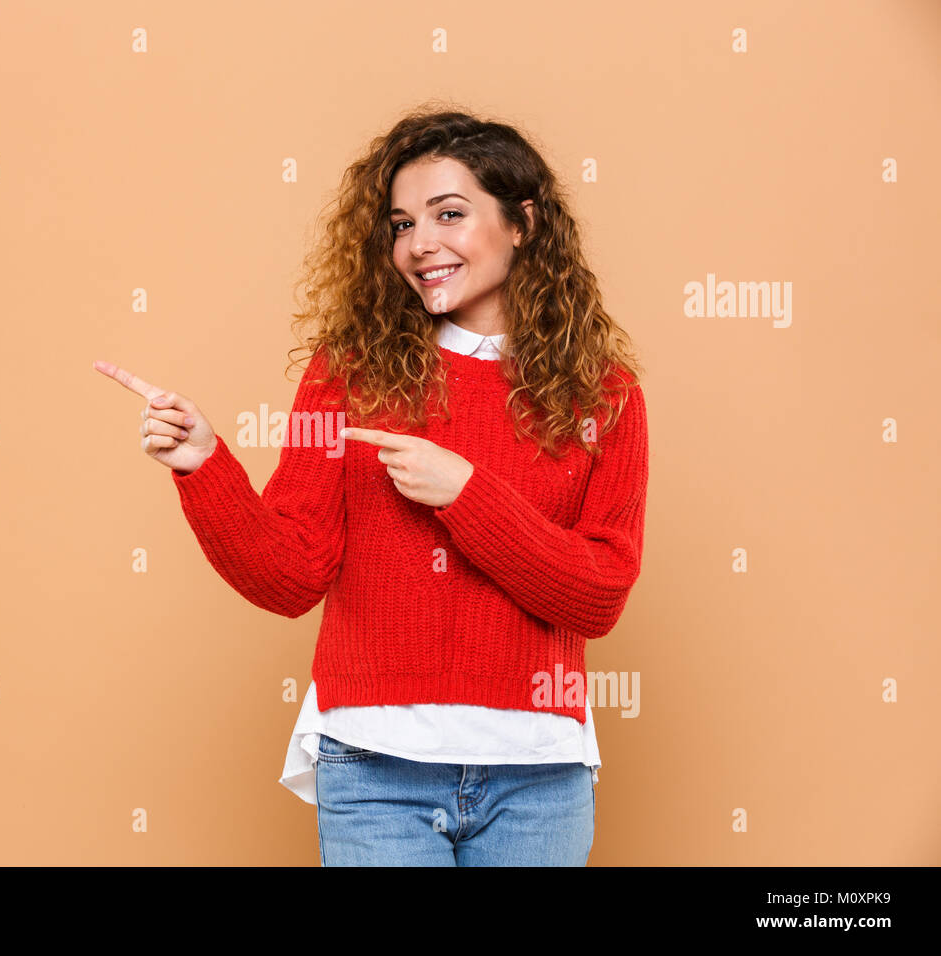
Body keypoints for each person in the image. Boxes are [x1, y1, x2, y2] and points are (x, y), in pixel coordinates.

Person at [93, 105, 649, 866]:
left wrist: (466, 494)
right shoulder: (349, 372)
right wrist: (205, 464)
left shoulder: (602, 393)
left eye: (449, 214)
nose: (420, 245)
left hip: (539, 774)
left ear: (523, 222)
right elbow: (291, 575)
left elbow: (599, 593)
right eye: (400, 224)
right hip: (375, 768)